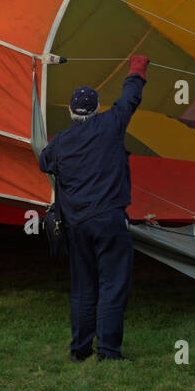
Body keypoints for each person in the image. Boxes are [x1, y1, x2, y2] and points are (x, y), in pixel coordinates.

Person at [39, 54, 149, 361]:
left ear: (71, 112)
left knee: (83, 288)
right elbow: (130, 98)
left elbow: (44, 162)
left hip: (76, 225)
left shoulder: (61, 142)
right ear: (98, 108)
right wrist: (137, 67)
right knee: (113, 285)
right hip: (109, 220)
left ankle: (80, 351)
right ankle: (109, 352)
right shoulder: (111, 123)